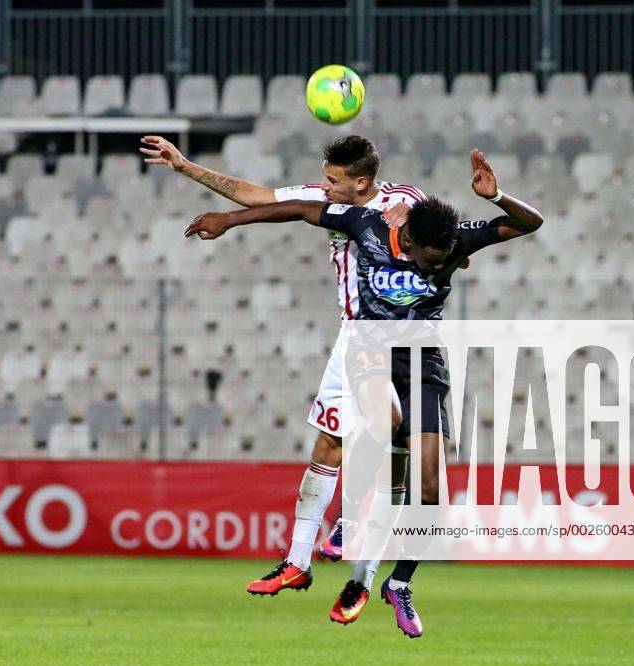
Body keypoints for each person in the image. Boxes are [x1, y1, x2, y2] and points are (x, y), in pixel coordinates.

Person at [185, 149, 544, 637]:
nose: (437, 267)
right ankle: (343, 526)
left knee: (430, 486)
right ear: (408, 240)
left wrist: (496, 196)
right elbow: (297, 208)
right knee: (378, 423)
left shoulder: (451, 238)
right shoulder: (365, 225)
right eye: (428, 259)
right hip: (368, 350)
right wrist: (229, 219)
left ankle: (398, 583)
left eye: (442, 261)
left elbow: (530, 222)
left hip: (422, 362)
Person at [142, 134, 422, 614]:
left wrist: (413, 221)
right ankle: (297, 562)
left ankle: (362, 578)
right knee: (328, 444)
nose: (323, 186)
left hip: (402, 342)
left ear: (362, 183)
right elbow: (260, 196)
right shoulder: (327, 199)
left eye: (332, 180)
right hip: (353, 337)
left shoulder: (406, 199)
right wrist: (186, 167)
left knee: (391, 447)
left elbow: (446, 233)